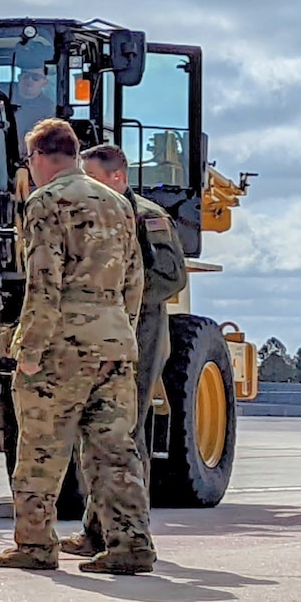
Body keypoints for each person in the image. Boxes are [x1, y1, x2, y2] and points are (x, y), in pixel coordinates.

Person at [0, 117, 156, 574]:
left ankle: (36, 544)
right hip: (114, 340)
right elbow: (135, 280)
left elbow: (44, 281)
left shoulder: (46, 202)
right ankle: (130, 542)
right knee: (114, 449)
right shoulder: (119, 203)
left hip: (63, 342)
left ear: (40, 158)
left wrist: (28, 349)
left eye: (30, 160)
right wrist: (120, 329)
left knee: (41, 448)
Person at [65, 143, 190, 557]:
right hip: (100, 331)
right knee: (96, 431)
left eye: (95, 179)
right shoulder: (88, 217)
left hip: (141, 331)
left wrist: (118, 295)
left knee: (126, 432)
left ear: (118, 178)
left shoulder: (148, 217)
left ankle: (130, 532)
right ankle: (97, 529)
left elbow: (171, 277)